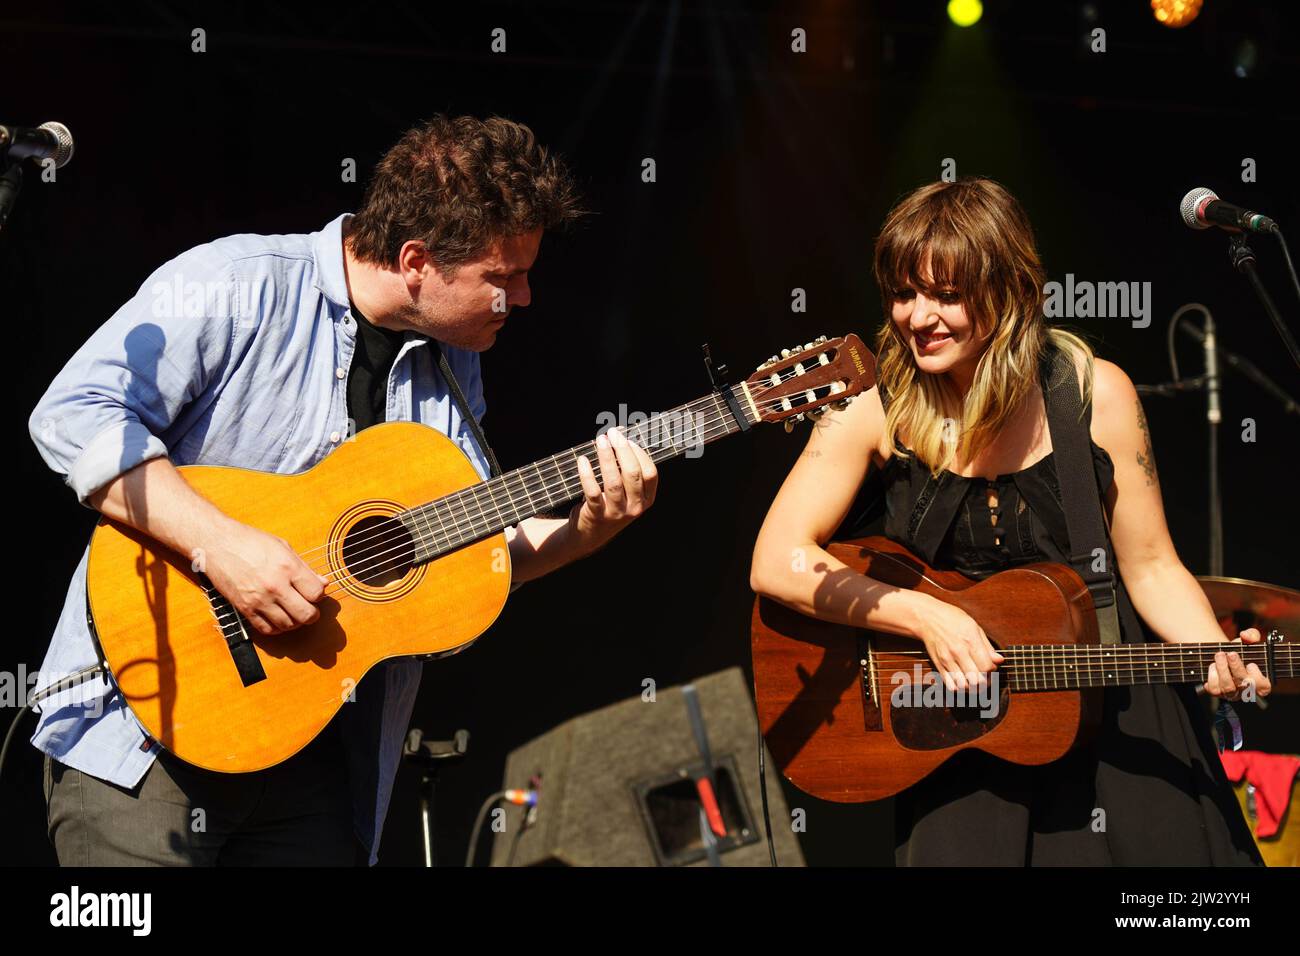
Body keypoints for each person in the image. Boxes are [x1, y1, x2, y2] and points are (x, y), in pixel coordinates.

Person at [28, 114, 658, 866]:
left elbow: (465, 562)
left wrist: (587, 533)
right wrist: (225, 547)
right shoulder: (238, 282)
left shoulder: (456, 364)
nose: (523, 297)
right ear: (417, 260)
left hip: (320, 766)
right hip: (149, 738)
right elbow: (73, 413)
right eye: (502, 277)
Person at [750, 177, 1268, 865]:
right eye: (904, 293)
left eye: (946, 295)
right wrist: (925, 616)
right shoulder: (872, 409)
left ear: (1008, 293)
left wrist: (1216, 652)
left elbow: (1150, 566)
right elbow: (776, 559)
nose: (917, 317)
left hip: (1111, 710)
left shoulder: (1092, 391)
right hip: (959, 730)